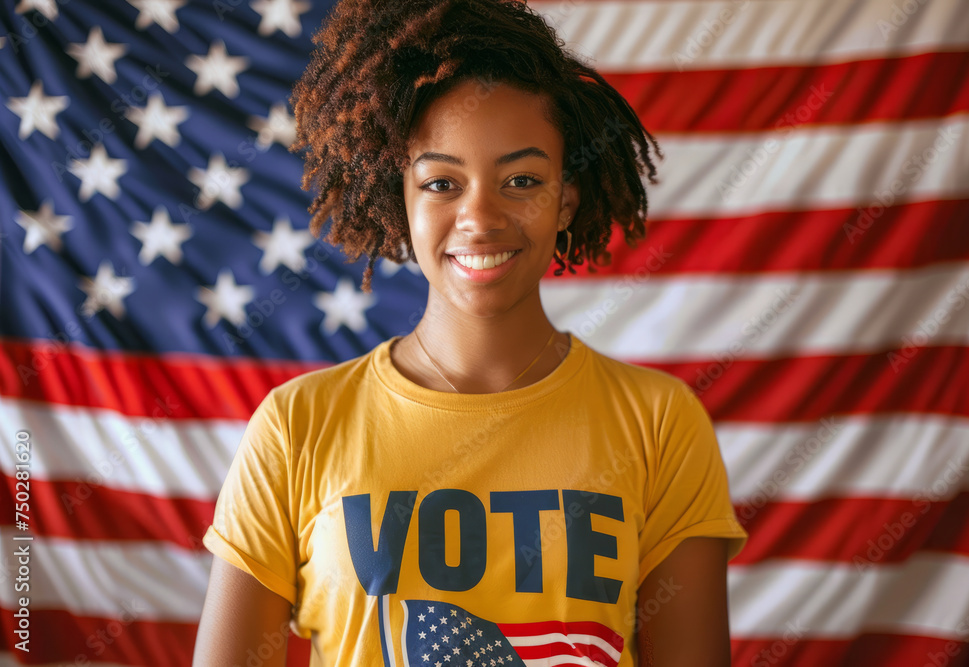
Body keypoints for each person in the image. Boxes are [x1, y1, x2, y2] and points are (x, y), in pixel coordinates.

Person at [193, 0, 748, 665]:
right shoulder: (297, 427)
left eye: (522, 179)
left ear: (565, 199)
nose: (479, 216)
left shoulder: (658, 423)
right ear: (396, 195)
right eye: (441, 182)